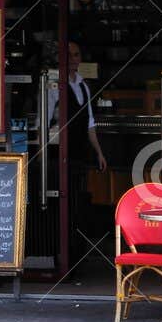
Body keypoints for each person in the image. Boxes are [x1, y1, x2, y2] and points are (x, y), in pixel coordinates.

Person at [59, 43, 108, 245]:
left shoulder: (83, 86)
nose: (73, 58)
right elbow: (46, 121)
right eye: (68, 55)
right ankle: (65, 244)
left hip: (80, 150)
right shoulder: (56, 84)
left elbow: (89, 122)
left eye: (76, 54)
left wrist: (99, 152)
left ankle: (76, 244)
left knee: (77, 198)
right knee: (64, 199)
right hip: (60, 151)